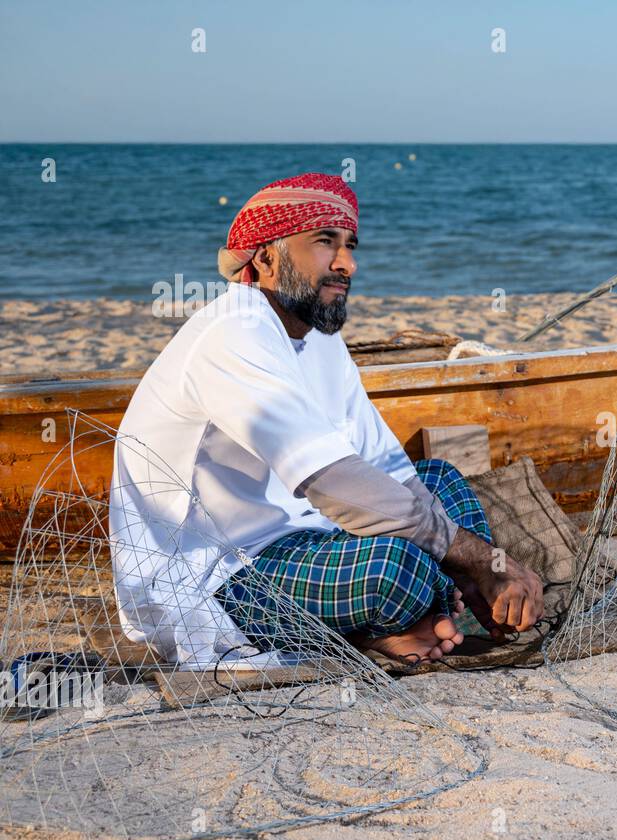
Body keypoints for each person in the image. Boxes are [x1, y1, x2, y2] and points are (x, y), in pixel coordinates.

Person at [108, 173, 542, 669]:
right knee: (394, 567)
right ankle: (425, 620)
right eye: (324, 242)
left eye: (350, 246)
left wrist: (470, 565)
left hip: (314, 540)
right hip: (225, 573)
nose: (347, 264)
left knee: (440, 481)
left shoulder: (320, 339)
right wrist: (478, 560)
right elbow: (333, 482)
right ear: (265, 257)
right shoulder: (234, 332)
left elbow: (389, 469)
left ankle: (422, 621)